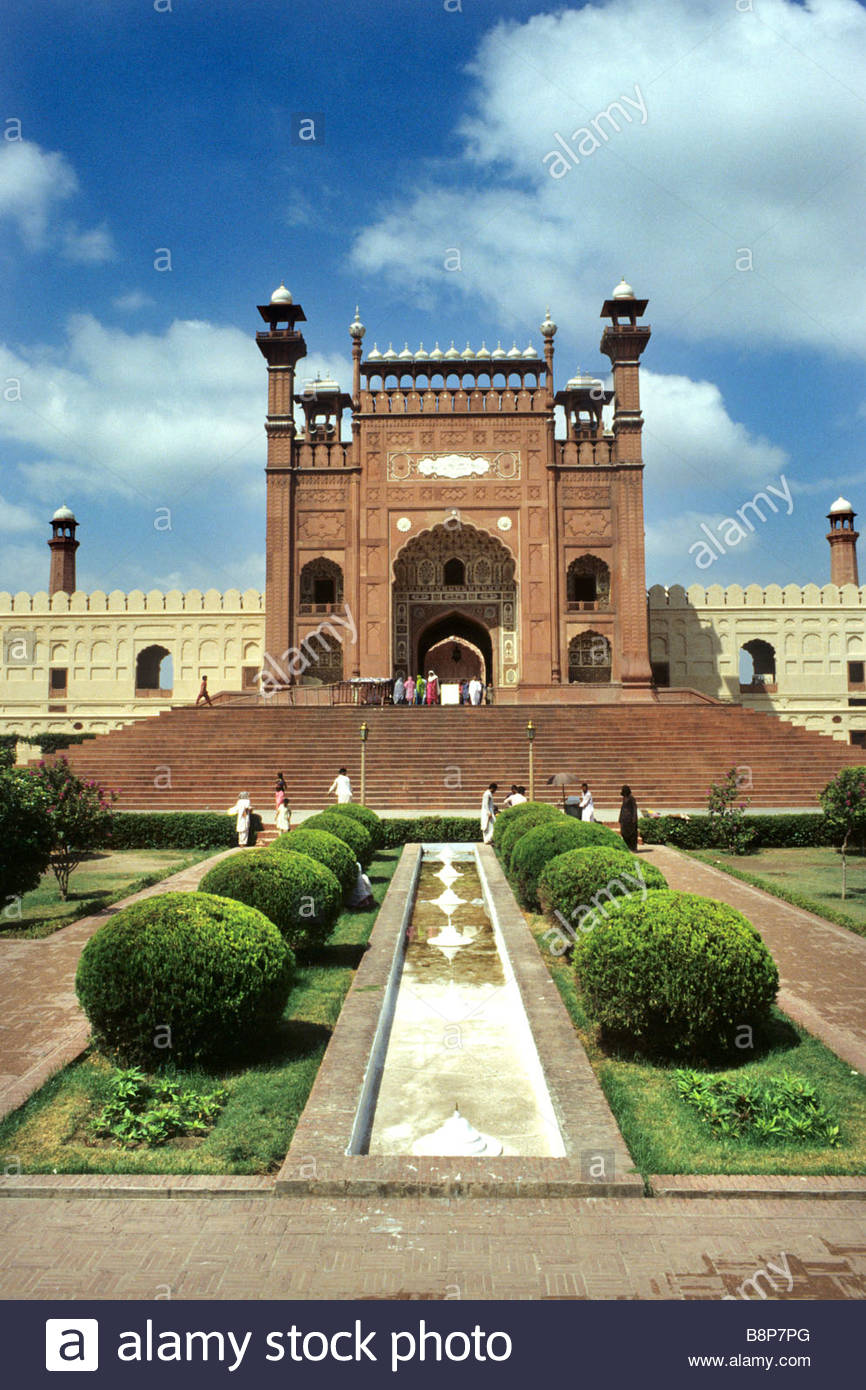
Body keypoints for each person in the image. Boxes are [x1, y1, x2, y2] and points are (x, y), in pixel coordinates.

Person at [619, 784, 639, 852]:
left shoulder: (631, 798)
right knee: (624, 833)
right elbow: (622, 808)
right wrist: (620, 818)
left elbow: (634, 808)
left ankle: (633, 847)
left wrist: (634, 818)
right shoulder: (624, 798)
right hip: (624, 819)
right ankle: (627, 846)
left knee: (632, 834)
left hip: (630, 819)